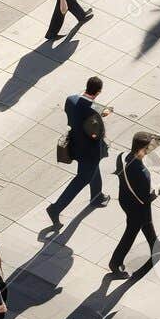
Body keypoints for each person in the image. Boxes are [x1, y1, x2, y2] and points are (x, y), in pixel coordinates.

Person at [47, 75, 113, 225]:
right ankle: (55, 208)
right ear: (98, 92)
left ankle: (97, 196)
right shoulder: (93, 112)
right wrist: (101, 115)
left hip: (76, 144)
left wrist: (98, 113)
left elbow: (80, 112)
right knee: (82, 179)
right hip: (89, 152)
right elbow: (98, 133)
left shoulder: (71, 100)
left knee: (93, 171)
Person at [110, 132, 160, 278]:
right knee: (131, 233)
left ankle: (157, 247)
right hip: (138, 205)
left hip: (125, 200)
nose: (150, 150)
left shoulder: (123, 157)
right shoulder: (140, 171)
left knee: (147, 224)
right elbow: (144, 198)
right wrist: (155, 194)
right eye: (148, 147)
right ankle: (115, 262)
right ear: (143, 148)